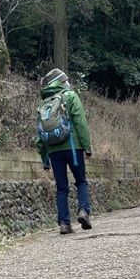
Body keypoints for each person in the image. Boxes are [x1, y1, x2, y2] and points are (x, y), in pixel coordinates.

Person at [36, 68, 93, 235]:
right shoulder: (70, 96)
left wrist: (44, 158)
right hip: (73, 147)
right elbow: (80, 123)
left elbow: (39, 134)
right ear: (62, 81)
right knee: (81, 181)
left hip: (54, 151)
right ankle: (83, 211)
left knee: (61, 188)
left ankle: (64, 223)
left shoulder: (44, 102)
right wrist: (87, 146)